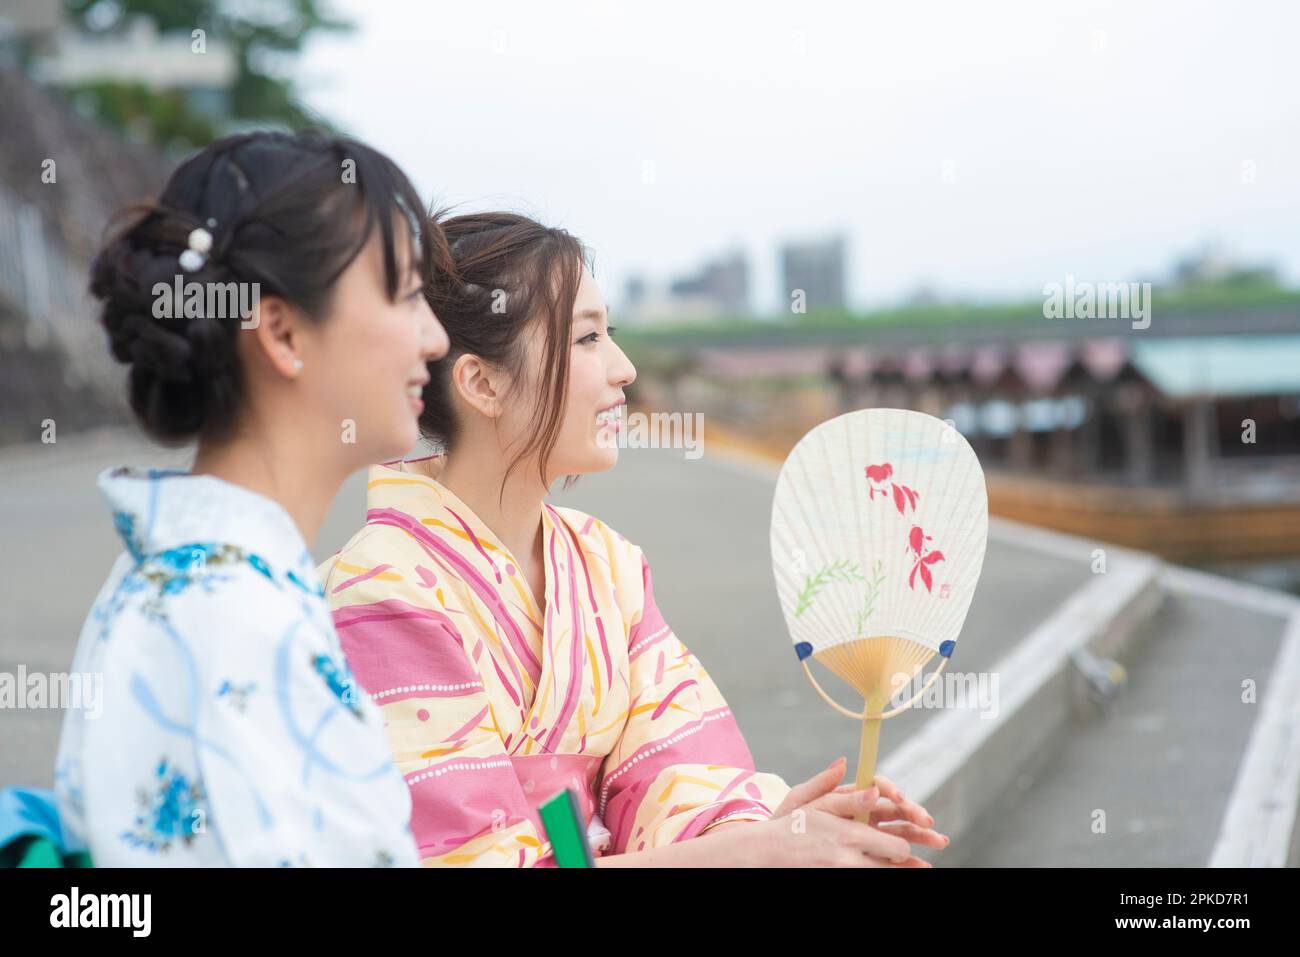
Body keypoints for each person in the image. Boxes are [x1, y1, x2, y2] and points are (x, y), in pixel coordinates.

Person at [321, 212, 947, 866]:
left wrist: (779, 830)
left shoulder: (605, 567)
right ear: (482, 382)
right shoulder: (380, 592)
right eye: (587, 338)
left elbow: (673, 770)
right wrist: (750, 853)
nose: (622, 369)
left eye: (608, 333)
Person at [54, 130, 449, 866]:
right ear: (282, 330)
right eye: (407, 295)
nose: (434, 336)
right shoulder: (236, 621)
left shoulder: (198, 581)